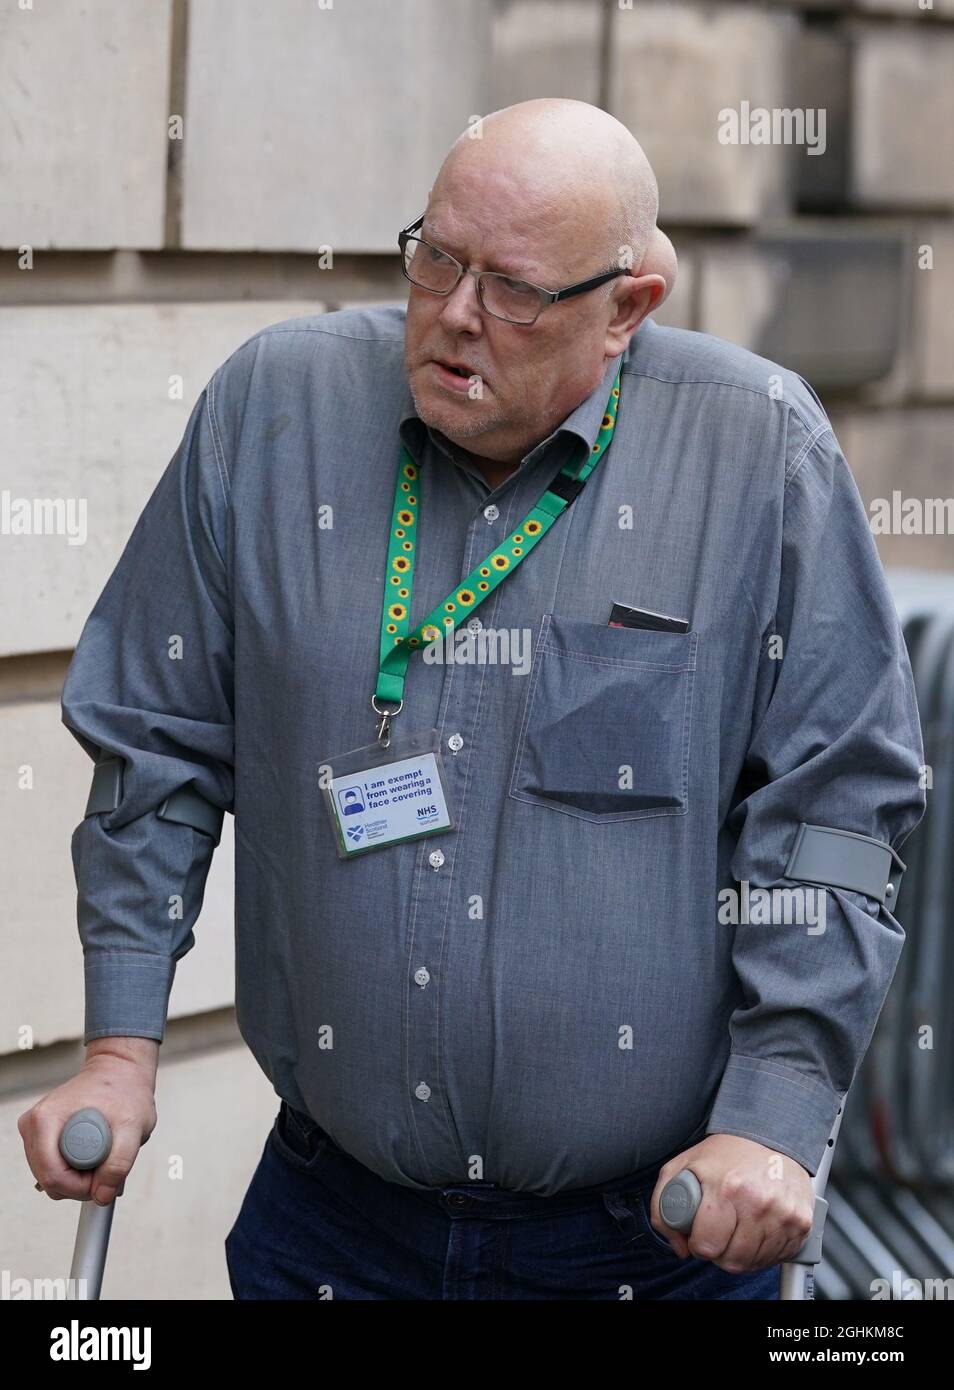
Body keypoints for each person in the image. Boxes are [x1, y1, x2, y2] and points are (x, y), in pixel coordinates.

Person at [19, 98, 925, 1301]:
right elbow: (154, 743)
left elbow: (842, 814)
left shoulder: (758, 454)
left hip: (650, 1251)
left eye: (512, 288)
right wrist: (121, 1046)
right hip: (332, 1232)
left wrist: (775, 1111)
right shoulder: (272, 412)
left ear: (626, 311)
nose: (453, 314)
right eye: (435, 256)